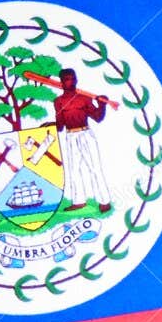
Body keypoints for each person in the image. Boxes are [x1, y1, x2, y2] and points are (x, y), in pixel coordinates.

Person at [50, 67, 114, 214]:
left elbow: (98, 117)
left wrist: (102, 105)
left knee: (94, 168)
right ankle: (78, 201)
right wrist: (50, 125)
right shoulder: (58, 101)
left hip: (85, 134)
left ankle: (104, 201)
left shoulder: (84, 98)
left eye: (72, 78)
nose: (70, 81)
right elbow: (60, 125)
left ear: (76, 79)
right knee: (74, 169)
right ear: (61, 82)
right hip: (70, 136)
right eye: (66, 79)